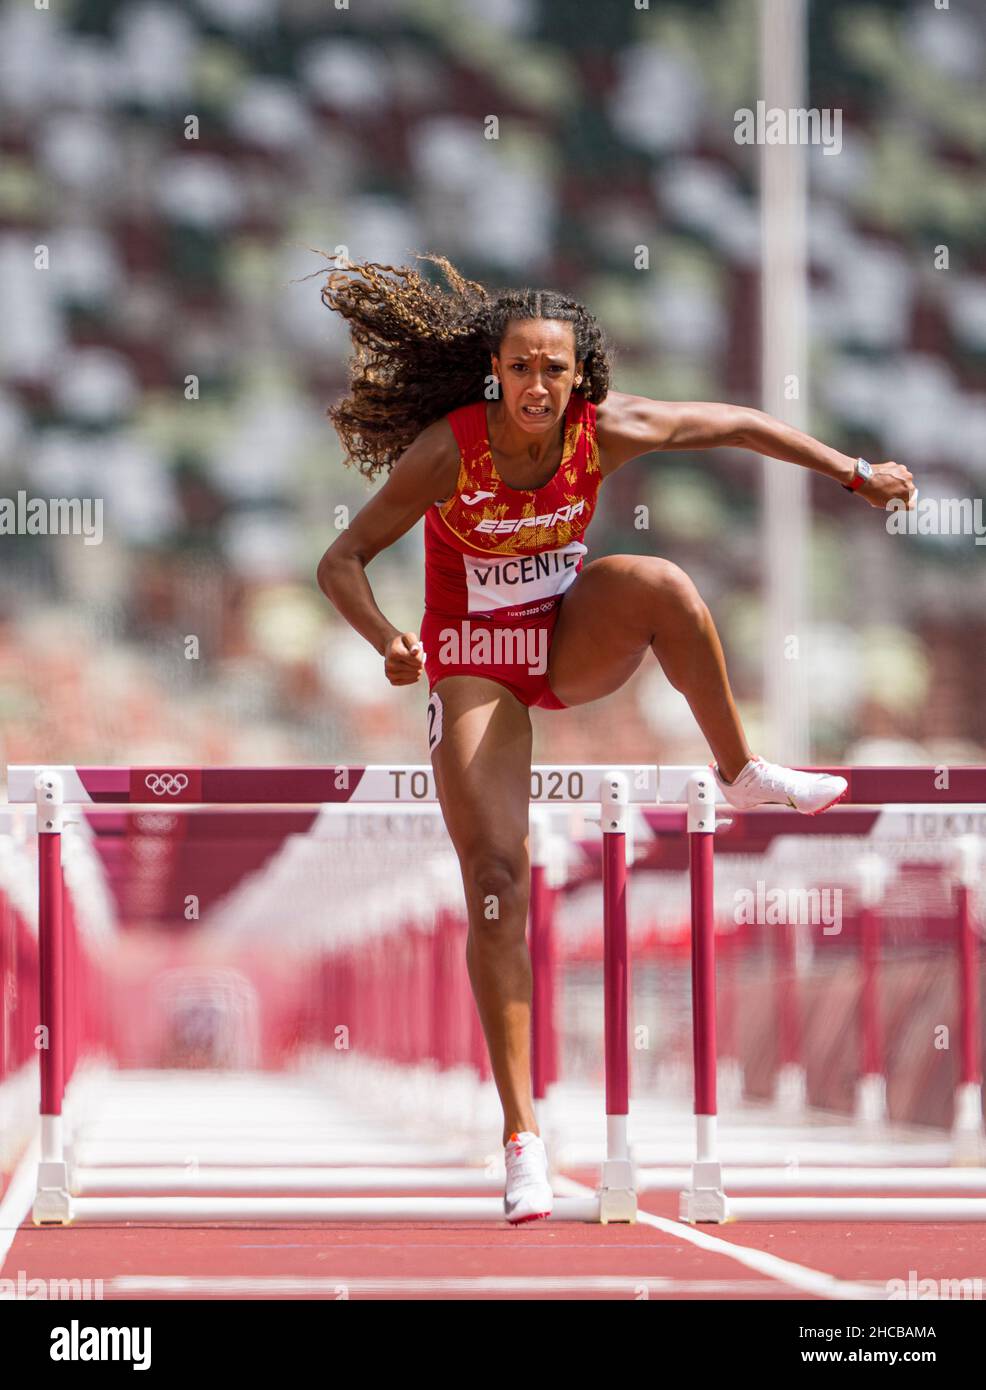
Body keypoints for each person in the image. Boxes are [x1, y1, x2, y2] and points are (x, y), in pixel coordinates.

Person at [315, 253, 916, 1223]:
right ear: (493, 374)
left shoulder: (608, 430)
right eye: (519, 368)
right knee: (496, 880)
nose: (536, 387)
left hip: (560, 639)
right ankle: (522, 1139)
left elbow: (732, 422)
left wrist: (850, 471)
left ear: (579, 376)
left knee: (662, 586)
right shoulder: (447, 449)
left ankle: (739, 769)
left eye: (553, 369)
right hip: (470, 657)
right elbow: (339, 560)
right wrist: (389, 638)